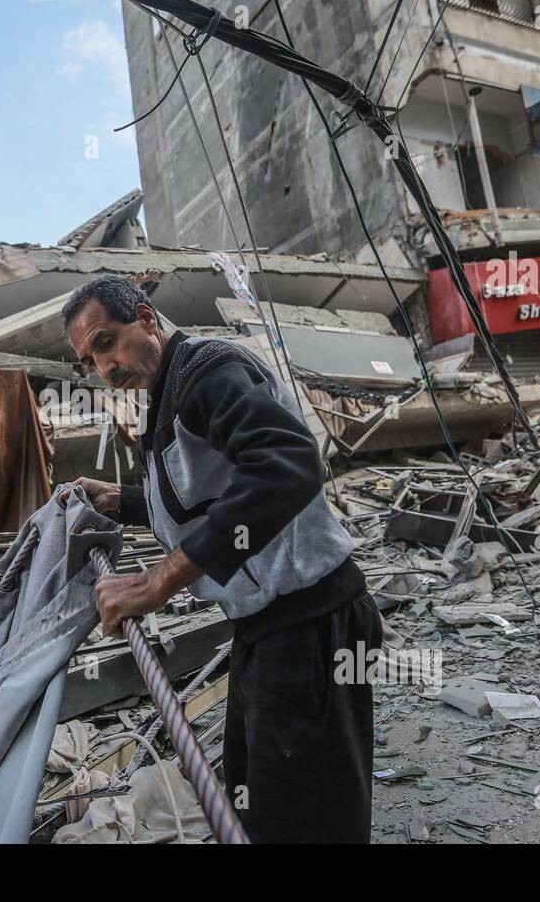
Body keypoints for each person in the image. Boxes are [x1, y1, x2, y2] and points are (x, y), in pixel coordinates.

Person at [61, 273, 382, 843]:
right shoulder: (169, 396)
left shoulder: (207, 374)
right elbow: (212, 491)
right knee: (258, 800)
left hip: (311, 627)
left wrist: (158, 582)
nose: (104, 369)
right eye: (90, 360)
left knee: (309, 821)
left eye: (106, 341)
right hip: (268, 627)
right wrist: (127, 502)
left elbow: (284, 467)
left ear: (147, 319)